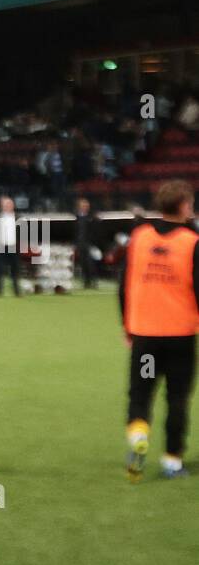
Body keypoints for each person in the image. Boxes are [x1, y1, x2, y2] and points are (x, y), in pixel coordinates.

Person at [120, 180, 199, 481]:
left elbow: (124, 286)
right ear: (182, 206)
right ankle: (172, 460)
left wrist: (127, 326)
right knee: (177, 397)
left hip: (145, 336)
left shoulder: (139, 237)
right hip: (180, 336)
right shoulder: (191, 242)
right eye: (189, 203)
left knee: (141, 393)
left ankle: (139, 435)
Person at [0, 197, 21, 296]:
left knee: (15, 270)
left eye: (9, 204)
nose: (7, 206)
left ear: (12, 206)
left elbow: (22, 233)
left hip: (13, 246)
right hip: (1, 246)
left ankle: (17, 291)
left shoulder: (18, 218)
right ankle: (0, 290)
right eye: (5, 205)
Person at [74, 197, 98, 290]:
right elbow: (75, 231)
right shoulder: (76, 217)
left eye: (86, 205)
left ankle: (94, 281)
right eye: (83, 205)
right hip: (80, 243)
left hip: (89, 244)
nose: (85, 207)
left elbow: (95, 232)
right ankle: (86, 281)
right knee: (83, 263)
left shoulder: (91, 217)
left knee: (90, 263)